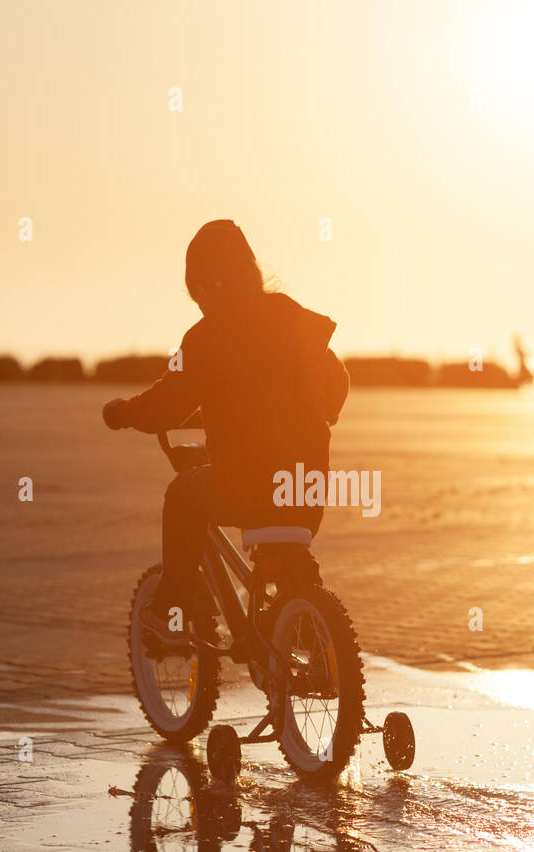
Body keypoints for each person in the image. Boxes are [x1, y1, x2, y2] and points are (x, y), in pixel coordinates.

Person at [102, 220, 349, 636]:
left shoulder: (206, 337)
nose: (198, 303)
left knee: (183, 494)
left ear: (206, 285)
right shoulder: (292, 318)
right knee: (287, 536)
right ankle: (307, 615)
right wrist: (322, 414)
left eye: (197, 290)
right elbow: (336, 377)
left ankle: (173, 605)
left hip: (247, 486)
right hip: (306, 485)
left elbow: (166, 406)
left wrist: (123, 411)